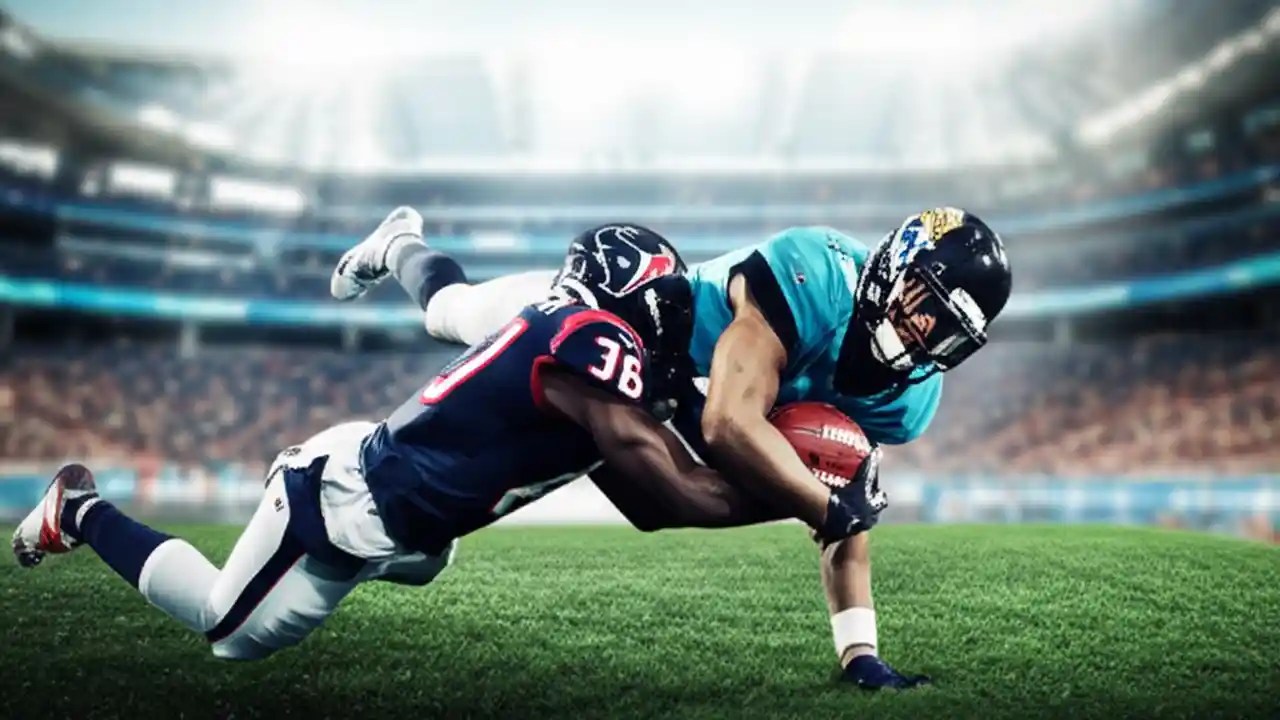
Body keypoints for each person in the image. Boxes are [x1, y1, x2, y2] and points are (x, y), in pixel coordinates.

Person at [12, 226, 886, 668]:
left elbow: (654, 500)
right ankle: (78, 508)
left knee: (425, 545)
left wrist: (783, 483)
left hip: (407, 510)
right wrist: (805, 495)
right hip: (347, 499)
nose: (674, 319)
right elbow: (673, 492)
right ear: (639, 297)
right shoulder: (588, 344)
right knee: (228, 632)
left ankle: (399, 243)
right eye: (664, 300)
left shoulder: (591, 353)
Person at [331, 208, 1012, 688]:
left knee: (655, 499)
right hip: (605, 327)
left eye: (945, 333)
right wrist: (831, 508)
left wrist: (860, 652)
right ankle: (397, 245)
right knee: (448, 308)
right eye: (924, 300)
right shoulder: (817, 272)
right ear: (893, 262)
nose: (921, 332)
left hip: (668, 401)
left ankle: (413, 540)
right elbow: (727, 425)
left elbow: (845, 498)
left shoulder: (908, 399)